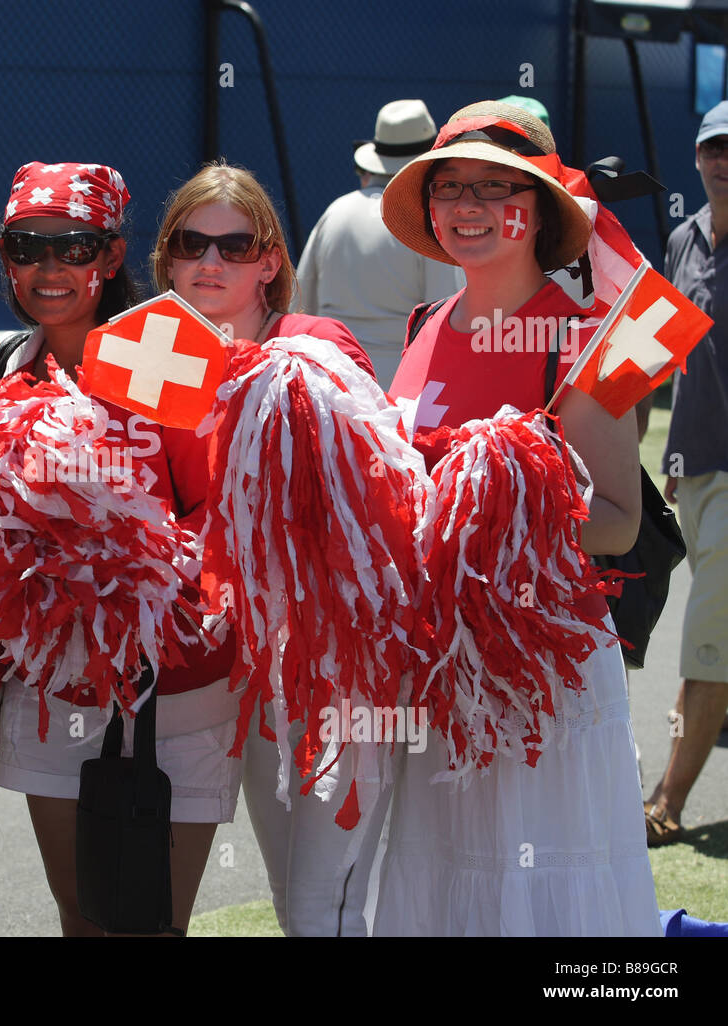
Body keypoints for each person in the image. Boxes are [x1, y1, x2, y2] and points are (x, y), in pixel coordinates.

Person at [375, 100, 658, 935]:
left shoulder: (586, 340)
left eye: (496, 188)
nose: (467, 206)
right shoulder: (424, 324)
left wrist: (493, 518)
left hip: (540, 678)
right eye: (450, 185)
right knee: (445, 880)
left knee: (537, 895)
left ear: (537, 211)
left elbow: (618, 521)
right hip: (438, 667)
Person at [0, 159, 240, 937]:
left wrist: (129, 569)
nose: (50, 268)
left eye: (76, 247)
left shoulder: (167, 348)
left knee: (150, 926)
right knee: (83, 917)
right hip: (53, 695)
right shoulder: (3, 368)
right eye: (27, 247)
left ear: (112, 257)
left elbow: (220, 519)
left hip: (181, 693)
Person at [146, 161, 387, 937]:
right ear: (167, 257)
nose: (210, 262)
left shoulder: (315, 342)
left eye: (234, 245)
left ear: (270, 261)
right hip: (229, 677)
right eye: (191, 243)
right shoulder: (153, 362)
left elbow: (372, 491)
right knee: (296, 901)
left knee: (327, 907)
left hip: (327, 671)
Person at [642, 100, 728, 846]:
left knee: (709, 638)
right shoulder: (682, 237)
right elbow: (673, 356)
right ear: (697, 157)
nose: (724, 162)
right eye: (713, 149)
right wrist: (673, 457)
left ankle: (668, 802)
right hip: (695, 467)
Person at [296, 99, 463, 384]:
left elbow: (299, 303)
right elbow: (445, 317)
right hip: (400, 384)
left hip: (329, 377)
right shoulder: (426, 220)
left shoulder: (334, 212)